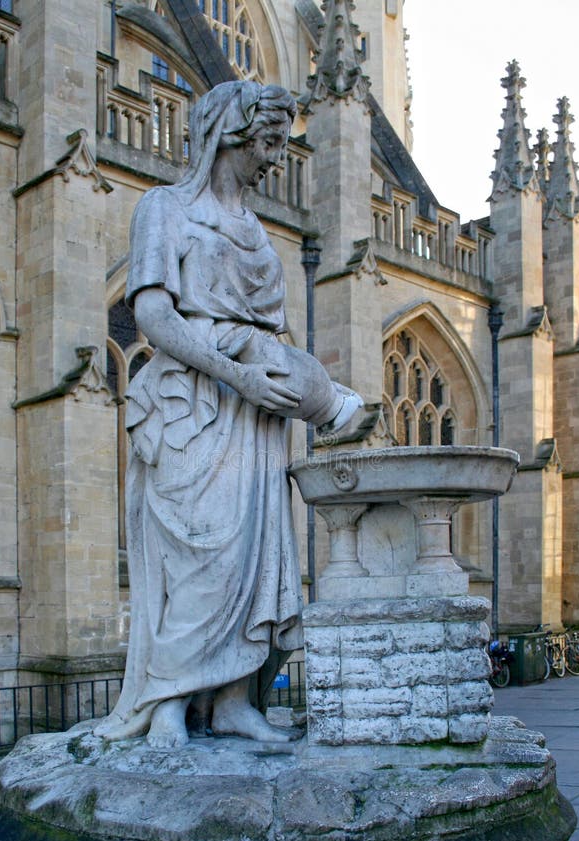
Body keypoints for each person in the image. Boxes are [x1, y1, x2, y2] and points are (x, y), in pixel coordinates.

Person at [95, 82, 361, 749]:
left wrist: (307, 388)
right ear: (229, 136)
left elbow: (268, 330)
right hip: (194, 404)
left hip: (257, 419)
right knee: (196, 556)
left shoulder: (256, 230)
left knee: (256, 559)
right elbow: (152, 316)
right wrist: (240, 374)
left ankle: (234, 702)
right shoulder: (165, 209)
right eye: (269, 143)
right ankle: (165, 705)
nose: (276, 159)